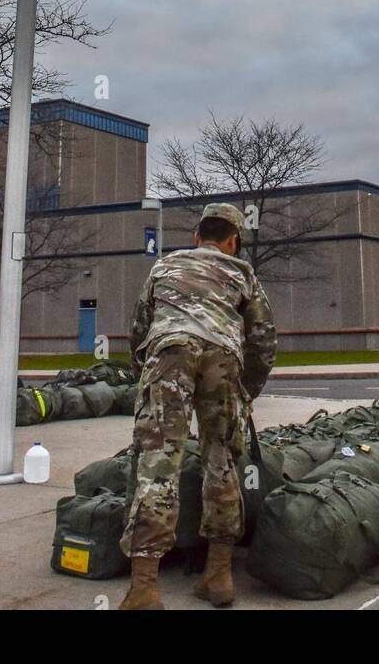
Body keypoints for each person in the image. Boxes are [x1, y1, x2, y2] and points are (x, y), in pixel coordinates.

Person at [118, 202, 277, 610]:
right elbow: (263, 340)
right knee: (221, 462)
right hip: (224, 358)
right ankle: (218, 575)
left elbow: (138, 328)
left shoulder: (165, 266)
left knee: (158, 463)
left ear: (196, 236)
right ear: (233, 241)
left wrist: (145, 374)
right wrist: (245, 391)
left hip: (169, 352)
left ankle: (144, 587)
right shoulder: (243, 273)